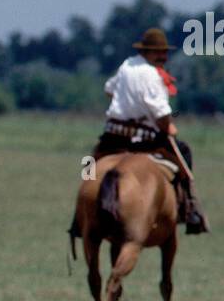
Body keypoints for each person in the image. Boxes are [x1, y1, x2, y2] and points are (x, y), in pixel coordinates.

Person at [89, 27, 208, 233]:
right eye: (158, 52)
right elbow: (161, 114)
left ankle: (79, 214)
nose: (163, 56)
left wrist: (127, 101)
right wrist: (168, 126)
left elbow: (109, 89)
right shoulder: (153, 75)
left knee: (88, 165)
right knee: (185, 160)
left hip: (113, 135)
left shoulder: (126, 65)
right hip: (145, 138)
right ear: (146, 52)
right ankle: (191, 210)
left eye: (164, 52)